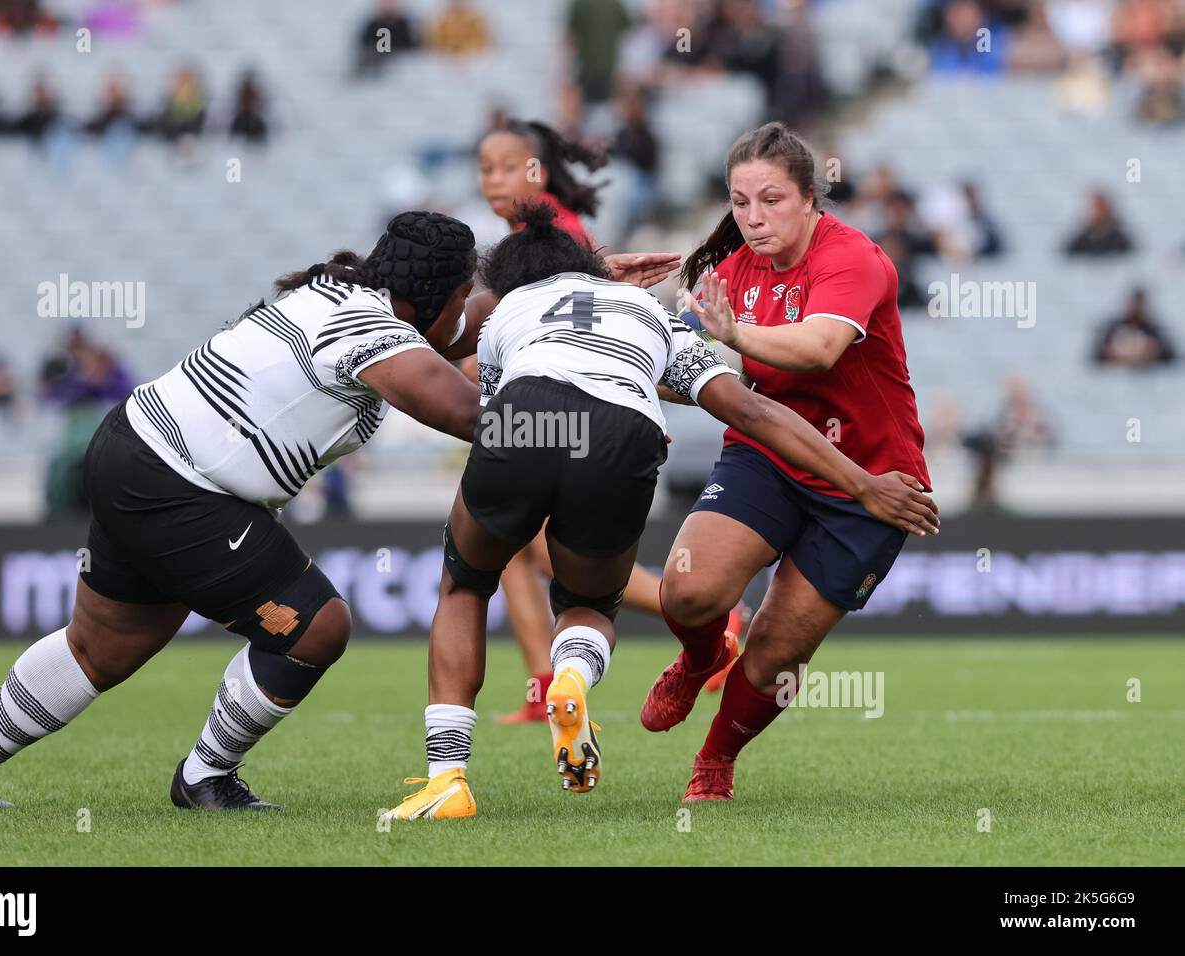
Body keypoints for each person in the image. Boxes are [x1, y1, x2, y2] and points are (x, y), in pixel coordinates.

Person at [381, 203, 938, 821]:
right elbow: (749, 412)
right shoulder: (650, 312)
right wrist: (862, 483)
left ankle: (448, 778)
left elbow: (478, 384)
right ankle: (571, 678)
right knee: (590, 604)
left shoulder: (504, 311)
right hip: (626, 431)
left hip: (526, 417)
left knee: (465, 584)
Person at [0, 212, 487, 813]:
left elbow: (455, 332)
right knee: (316, 625)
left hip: (134, 446)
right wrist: (569, 421)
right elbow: (468, 414)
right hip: (183, 486)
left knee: (100, 647)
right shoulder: (369, 328)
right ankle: (204, 777)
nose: (465, 308)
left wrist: (549, 295)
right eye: (461, 295)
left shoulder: (339, 291)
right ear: (434, 294)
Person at [642, 122, 939, 802]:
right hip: (769, 454)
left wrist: (733, 333)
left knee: (777, 651)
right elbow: (682, 370)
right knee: (687, 590)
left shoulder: (854, 258)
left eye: (771, 200)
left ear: (810, 197)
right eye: (740, 201)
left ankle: (716, 759)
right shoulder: (729, 274)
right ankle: (701, 656)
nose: (753, 217)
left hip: (871, 482)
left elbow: (818, 349)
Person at [473, 118, 744, 723]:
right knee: (516, 555)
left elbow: (573, 332)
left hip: (554, 414)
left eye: (508, 166)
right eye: (486, 168)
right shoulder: (538, 234)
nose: (493, 179)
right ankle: (544, 686)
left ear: (538, 172)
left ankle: (710, 616)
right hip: (570, 415)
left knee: (542, 557)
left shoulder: (551, 235)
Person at [1093, 287, 1177, 367]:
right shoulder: (1113, 328)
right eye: (1134, 304)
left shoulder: (1154, 329)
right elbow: (1096, 355)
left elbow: (1171, 356)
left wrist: (1150, 353)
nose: (1136, 308)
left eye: (1140, 304)